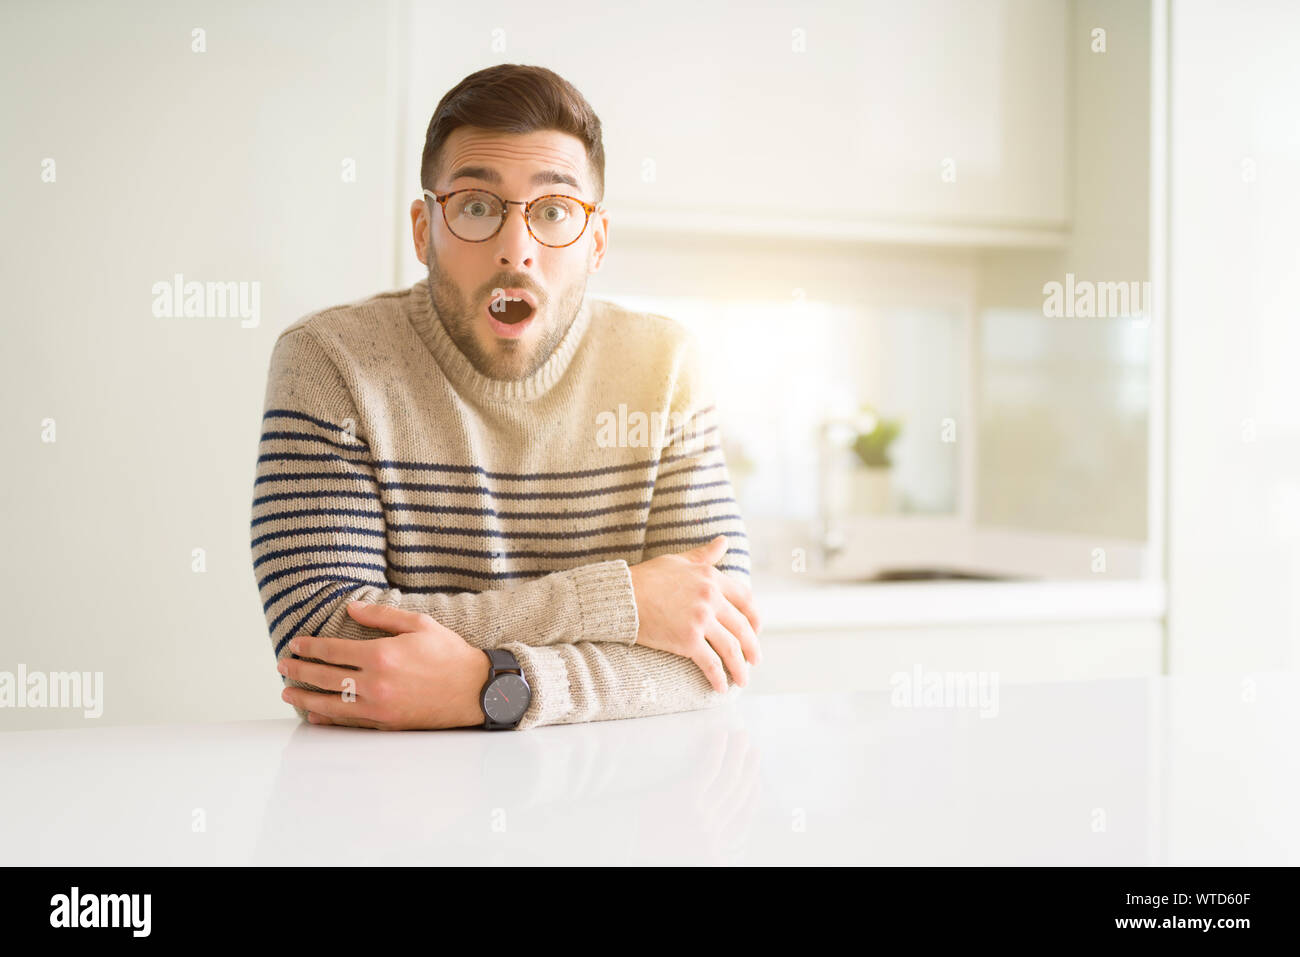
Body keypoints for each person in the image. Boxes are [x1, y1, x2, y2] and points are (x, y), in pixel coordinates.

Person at [250, 64, 761, 731]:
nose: (515, 250)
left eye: (553, 211)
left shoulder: (663, 368)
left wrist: (492, 686)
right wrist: (622, 602)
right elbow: (329, 643)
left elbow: (713, 649)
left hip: (617, 809)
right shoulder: (331, 363)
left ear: (596, 241)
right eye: (475, 206)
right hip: (377, 809)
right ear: (423, 229)